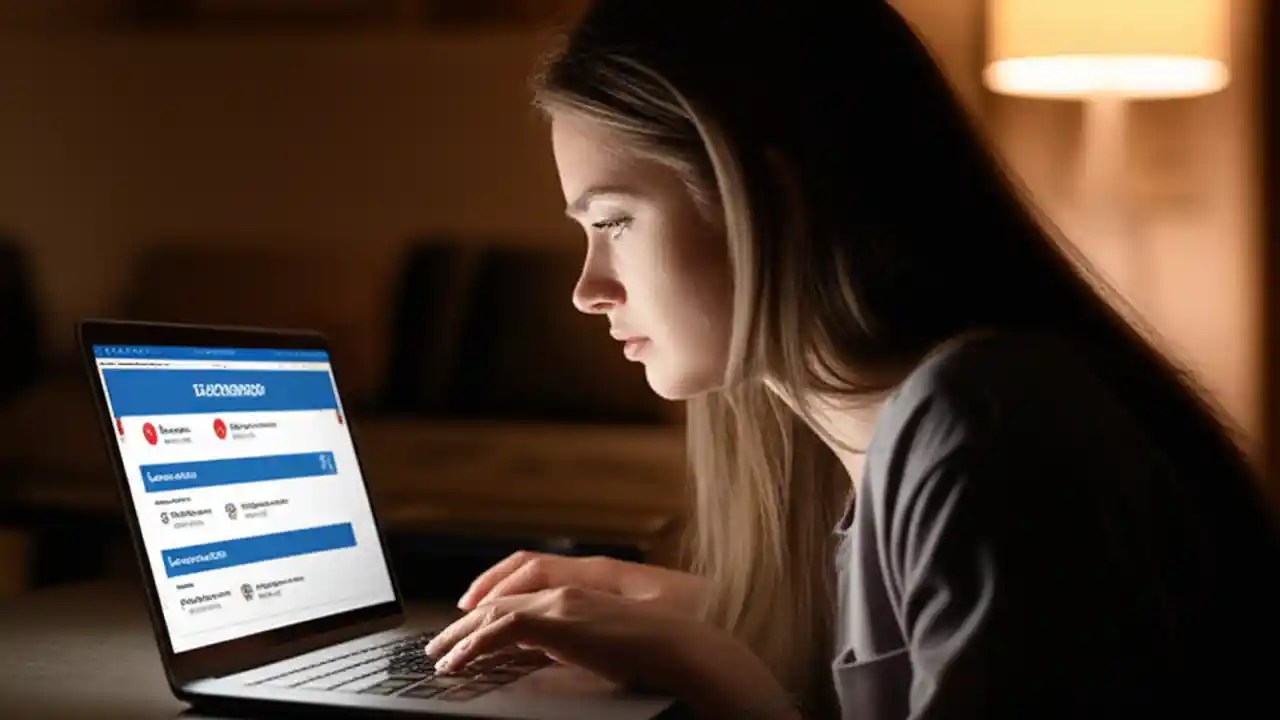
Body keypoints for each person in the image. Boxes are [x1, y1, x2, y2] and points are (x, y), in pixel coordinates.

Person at [423, 1, 1280, 717]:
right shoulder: (874, 447)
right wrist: (708, 614)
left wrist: (713, 675)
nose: (587, 289)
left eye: (612, 221)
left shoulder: (980, 422)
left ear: (767, 196)